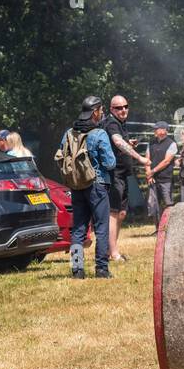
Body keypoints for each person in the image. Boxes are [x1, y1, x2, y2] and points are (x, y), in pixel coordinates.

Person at [59, 96, 114, 279]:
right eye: (101, 110)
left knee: (78, 228)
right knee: (101, 228)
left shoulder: (69, 133)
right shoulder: (99, 134)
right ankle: (101, 269)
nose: (102, 113)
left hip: (76, 185)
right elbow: (110, 163)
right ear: (95, 112)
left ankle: (77, 270)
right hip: (97, 185)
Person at [102, 95, 150, 262]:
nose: (123, 110)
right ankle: (113, 253)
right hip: (114, 175)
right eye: (119, 108)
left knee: (121, 213)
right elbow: (117, 142)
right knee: (113, 213)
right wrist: (140, 158)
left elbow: (121, 144)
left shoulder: (120, 124)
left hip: (122, 174)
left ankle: (110, 249)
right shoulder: (112, 123)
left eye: (125, 106)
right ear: (111, 110)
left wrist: (129, 144)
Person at [146, 121, 177, 225]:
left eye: (157, 128)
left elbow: (166, 161)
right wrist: (149, 175)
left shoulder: (172, 144)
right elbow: (147, 159)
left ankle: (170, 226)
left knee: (168, 204)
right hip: (153, 179)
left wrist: (152, 171)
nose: (154, 130)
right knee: (154, 205)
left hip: (165, 179)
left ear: (164, 131)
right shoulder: (151, 142)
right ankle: (157, 228)